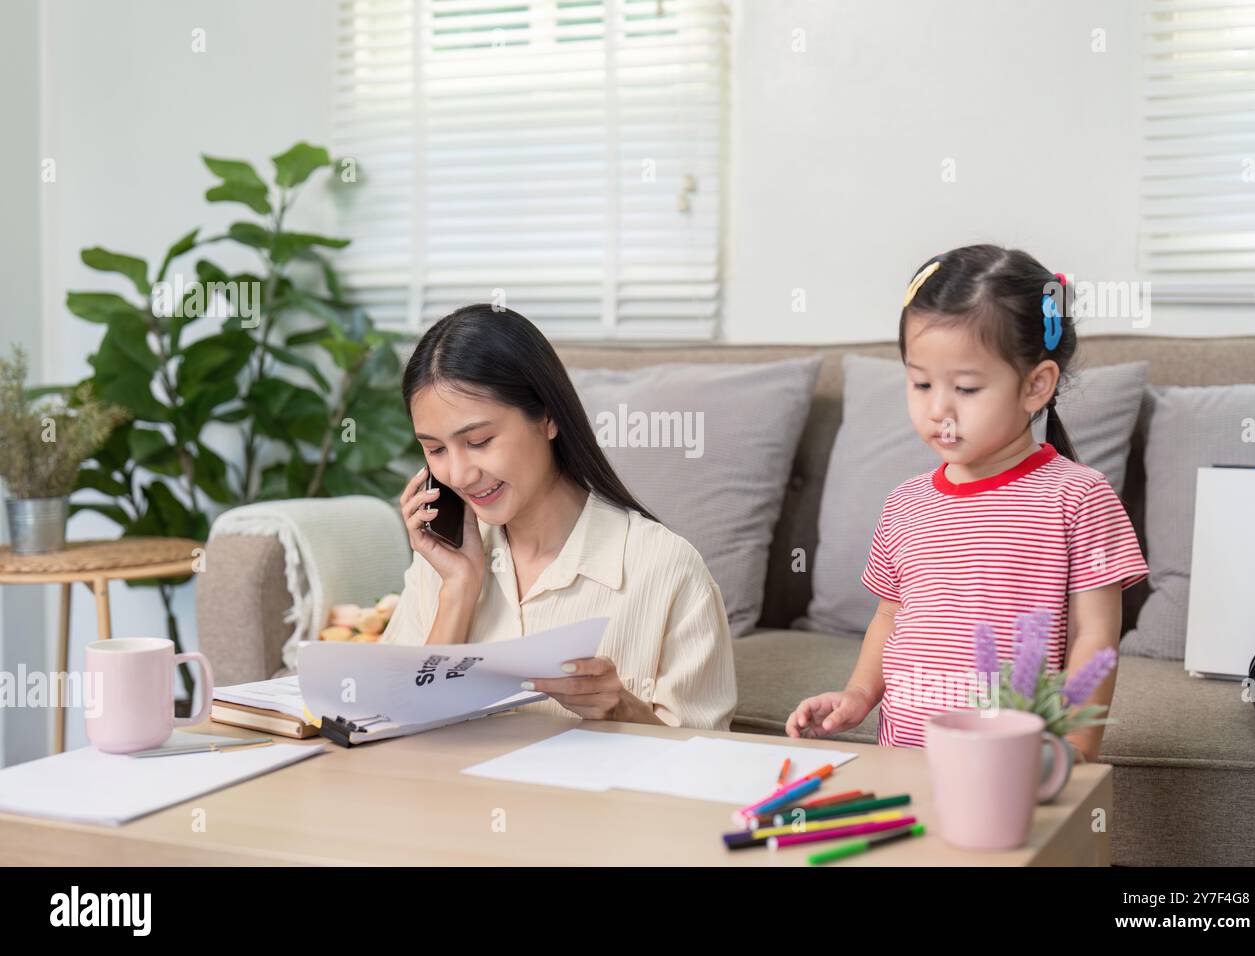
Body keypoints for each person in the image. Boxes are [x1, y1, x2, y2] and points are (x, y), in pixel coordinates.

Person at [785, 245, 1148, 761]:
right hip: (905, 756)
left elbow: (1095, 638)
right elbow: (891, 615)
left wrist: (1075, 750)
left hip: (1016, 761)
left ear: (1035, 386)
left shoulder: (1078, 498)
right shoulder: (906, 503)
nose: (938, 409)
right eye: (921, 383)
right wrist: (858, 695)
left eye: (967, 388)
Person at [381, 304, 737, 732]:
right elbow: (396, 730)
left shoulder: (666, 568)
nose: (458, 474)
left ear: (548, 416)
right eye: (435, 449)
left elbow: (705, 767)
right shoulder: (442, 563)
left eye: (478, 440)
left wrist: (621, 709)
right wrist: (458, 590)